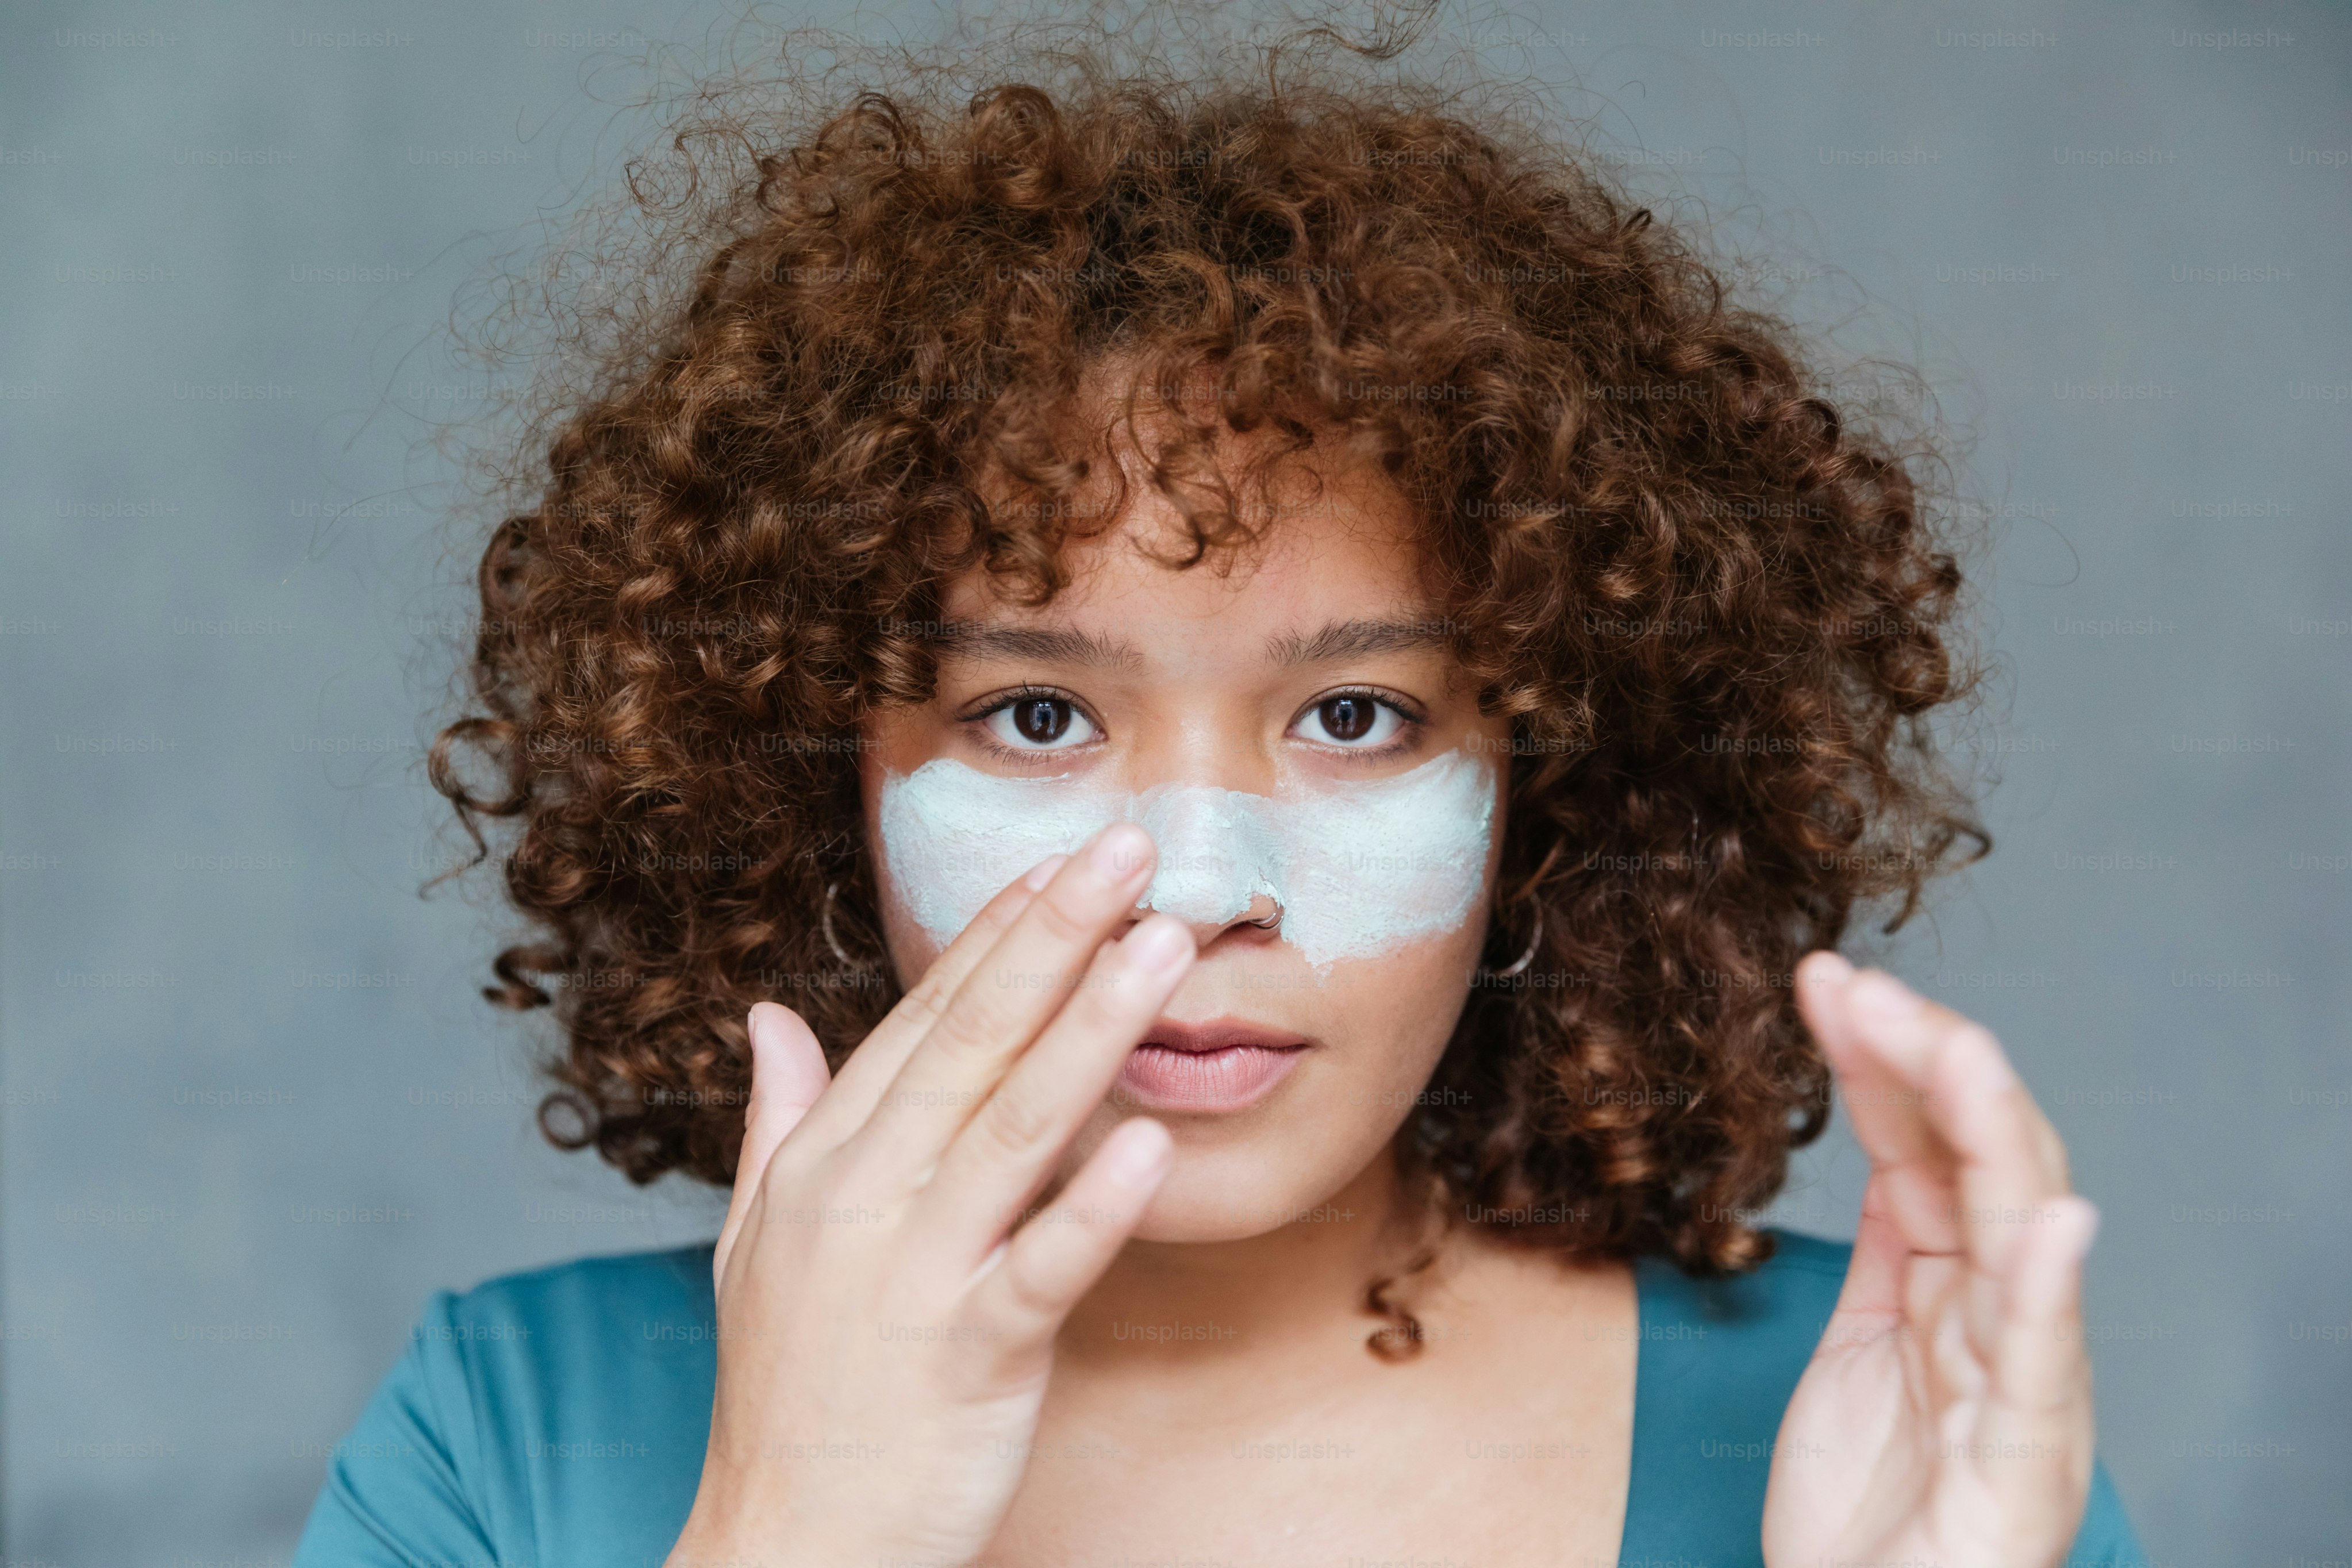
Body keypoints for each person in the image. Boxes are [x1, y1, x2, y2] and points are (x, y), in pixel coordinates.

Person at [295, 34, 2146, 1568]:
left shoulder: (1904, 1403)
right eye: (1034, 714)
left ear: (1550, 784)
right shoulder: (508, 1443)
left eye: (1352, 713)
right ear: (809, 783)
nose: (1197, 885)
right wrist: (791, 1524)